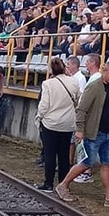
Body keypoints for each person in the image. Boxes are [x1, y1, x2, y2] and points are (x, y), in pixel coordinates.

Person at [56, 62, 109, 209]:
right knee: (86, 162)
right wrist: (80, 129)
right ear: (103, 71)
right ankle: (63, 185)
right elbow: (82, 109)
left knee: (107, 164)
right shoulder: (94, 87)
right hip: (94, 132)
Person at [37, 58, 79, 192]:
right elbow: (79, 99)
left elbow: (44, 105)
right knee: (64, 154)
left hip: (51, 123)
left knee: (50, 154)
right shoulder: (73, 81)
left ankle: (48, 183)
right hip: (67, 123)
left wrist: (39, 117)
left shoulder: (48, 84)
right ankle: (63, 183)